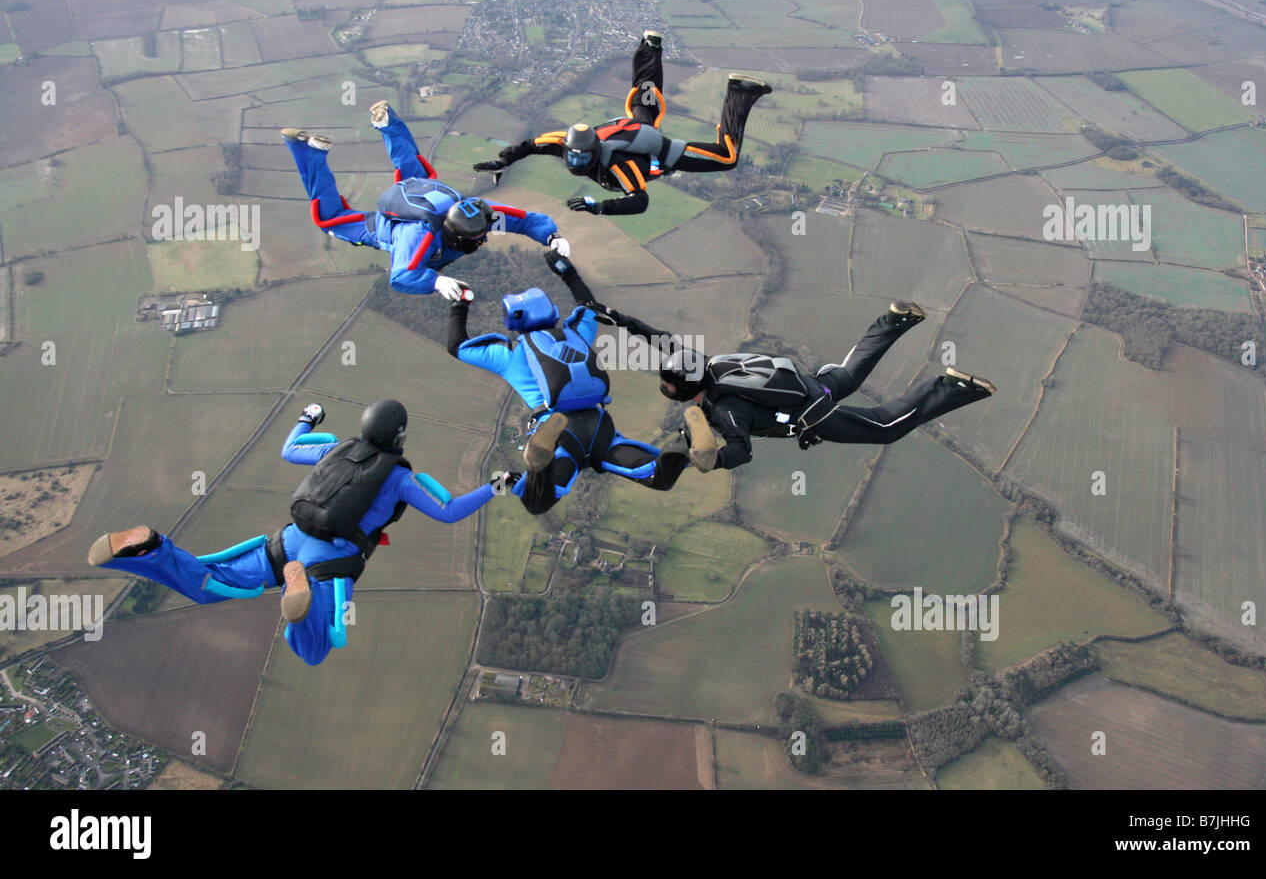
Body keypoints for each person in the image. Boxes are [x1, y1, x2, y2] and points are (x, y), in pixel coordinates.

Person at [87, 400, 501, 665]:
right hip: (328, 563)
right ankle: (297, 603)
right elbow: (450, 512)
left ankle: (152, 548)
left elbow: (288, 450)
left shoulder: (335, 448)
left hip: (287, 542)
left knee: (210, 584)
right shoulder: (399, 479)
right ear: (400, 437)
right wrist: (497, 485)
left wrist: (308, 418)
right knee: (315, 648)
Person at [595, 301, 996, 472]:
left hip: (811, 414)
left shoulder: (723, 409)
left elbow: (741, 450)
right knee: (851, 374)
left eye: (668, 388)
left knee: (886, 428)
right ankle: (894, 321)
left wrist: (714, 460)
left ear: (685, 390)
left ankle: (951, 387)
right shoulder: (704, 364)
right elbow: (660, 338)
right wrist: (619, 319)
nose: (666, 390)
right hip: (808, 382)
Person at [446, 251, 689, 515]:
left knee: (535, 503)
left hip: (559, 435)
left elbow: (456, 345)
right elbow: (588, 304)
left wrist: (460, 305)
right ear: (552, 313)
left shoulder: (511, 355)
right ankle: (683, 444)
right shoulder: (575, 334)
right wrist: (567, 271)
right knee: (658, 476)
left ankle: (516, 476)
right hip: (600, 428)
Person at [283, 100, 570, 299]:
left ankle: (386, 123)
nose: (484, 238)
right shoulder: (418, 237)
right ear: (457, 237)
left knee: (411, 169)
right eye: (478, 238)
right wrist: (435, 281)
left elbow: (525, 221)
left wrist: (551, 236)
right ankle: (308, 151)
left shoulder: (479, 214)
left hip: (423, 191)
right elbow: (401, 277)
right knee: (329, 218)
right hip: (390, 223)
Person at [472, 30, 772, 217]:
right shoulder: (564, 142)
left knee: (727, 157)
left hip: (656, 150)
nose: (576, 160)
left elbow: (639, 200)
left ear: (594, 150)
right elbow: (531, 145)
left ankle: (740, 92)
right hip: (628, 129)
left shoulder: (618, 165)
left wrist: (600, 207)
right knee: (645, 102)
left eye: (582, 156)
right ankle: (648, 47)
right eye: (573, 155)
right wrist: (504, 160)